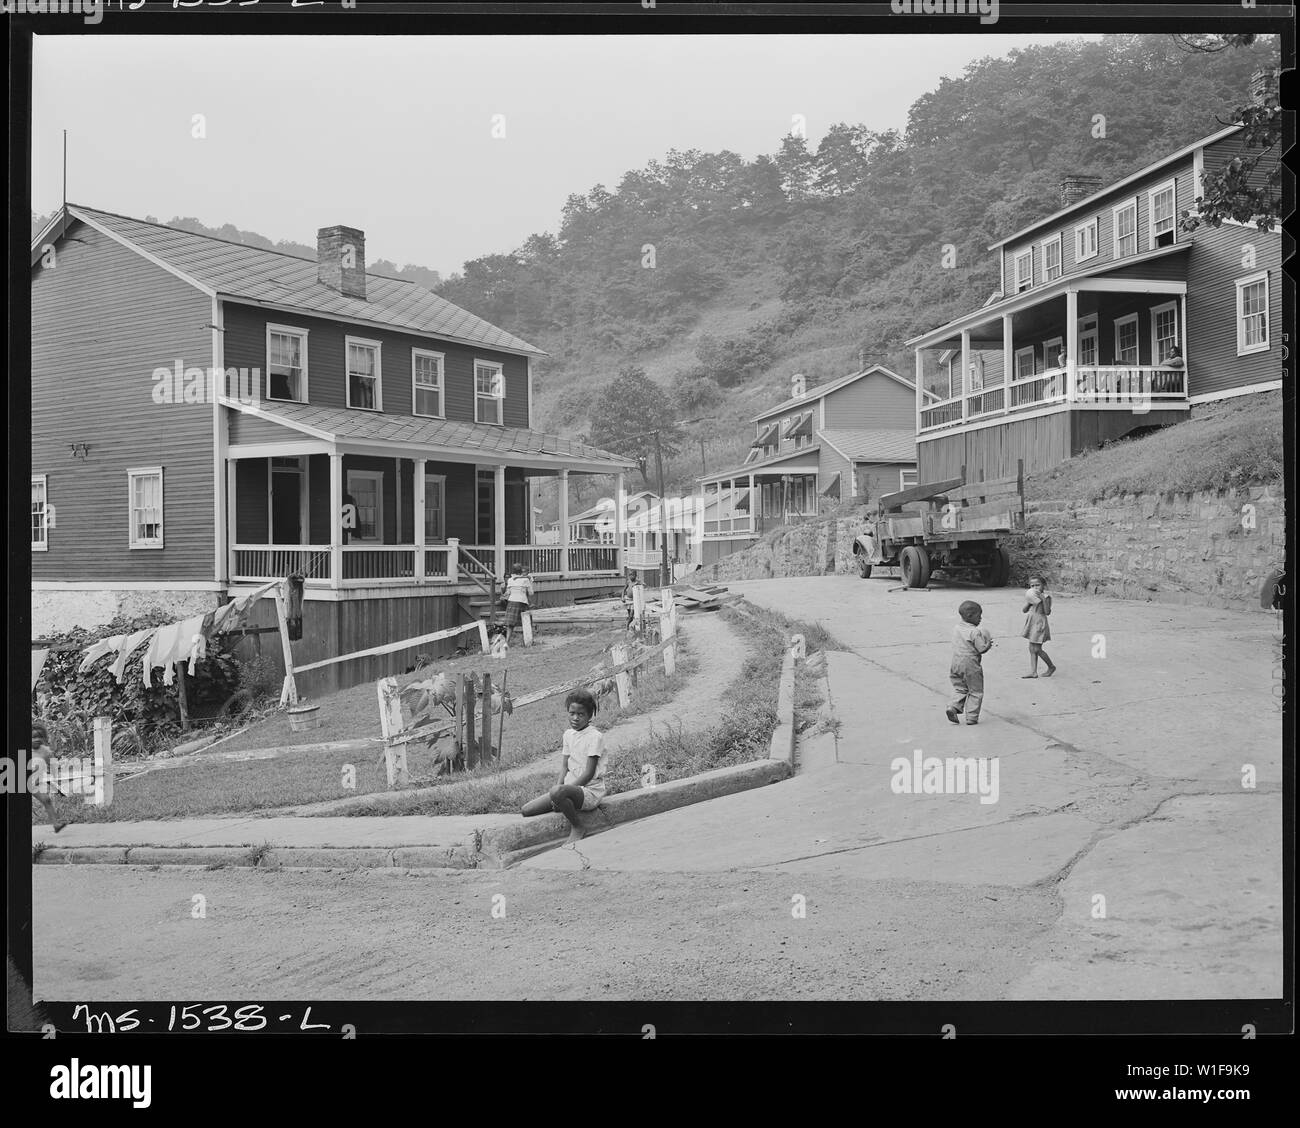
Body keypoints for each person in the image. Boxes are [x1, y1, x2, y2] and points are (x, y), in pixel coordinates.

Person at [520, 690, 605, 843]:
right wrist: (558, 792)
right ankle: (562, 800)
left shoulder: (595, 736)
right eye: (572, 713)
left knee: (557, 792)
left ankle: (578, 827)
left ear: (590, 715)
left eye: (581, 714)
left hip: (589, 791)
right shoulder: (568, 734)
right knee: (527, 810)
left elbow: (588, 773)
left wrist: (560, 792)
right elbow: (565, 766)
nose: (575, 718)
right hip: (568, 789)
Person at [946, 600, 992, 726]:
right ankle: (971, 717)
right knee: (975, 690)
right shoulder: (975, 632)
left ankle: (953, 707)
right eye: (979, 615)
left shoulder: (957, 628)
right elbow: (981, 649)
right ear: (970, 616)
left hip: (956, 663)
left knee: (960, 688)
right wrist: (988, 644)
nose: (981, 618)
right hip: (970, 664)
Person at [30, 722, 65, 832]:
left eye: (40, 736)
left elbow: (53, 765)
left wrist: (56, 784)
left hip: (35, 783)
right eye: (33, 737)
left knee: (47, 800)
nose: (37, 739)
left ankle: (56, 824)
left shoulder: (45, 751)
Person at [1020, 576, 1056, 678]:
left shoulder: (1046, 597)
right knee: (1031, 648)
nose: (1035, 588)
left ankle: (1051, 666)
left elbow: (1047, 612)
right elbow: (1024, 610)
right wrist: (1029, 602)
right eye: (1032, 586)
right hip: (1032, 622)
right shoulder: (1032, 597)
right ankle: (1033, 672)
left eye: (1037, 585)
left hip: (1039, 623)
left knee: (1037, 649)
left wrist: (1043, 599)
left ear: (1043, 585)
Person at [502, 563, 534, 645]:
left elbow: (508, 592)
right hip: (522, 602)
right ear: (521, 571)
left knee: (510, 624)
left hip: (511, 602)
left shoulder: (510, 580)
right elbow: (531, 593)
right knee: (526, 622)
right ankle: (527, 641)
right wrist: (530, 582)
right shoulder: (525, 580)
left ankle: (507, 642)